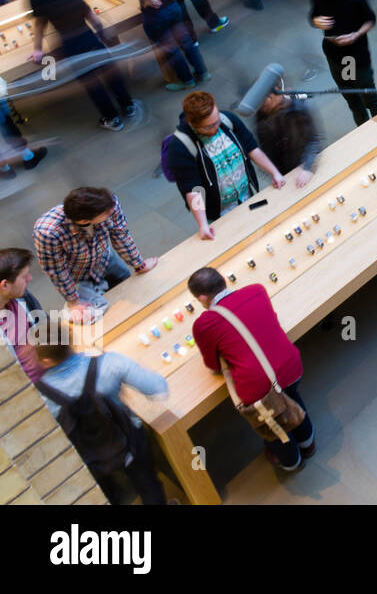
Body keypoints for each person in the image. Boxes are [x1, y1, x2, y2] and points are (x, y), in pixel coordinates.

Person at [189, 267, 315, 472]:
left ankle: (292, 463)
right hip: (291, 367)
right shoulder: (257, 290)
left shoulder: (204, 324)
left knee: (272, 427)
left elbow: (213, 366)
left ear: (202, 298)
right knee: (293, 399)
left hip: (259, 389)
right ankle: (309, 446)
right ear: (223, 281)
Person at [35, 342, 168, 503]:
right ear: (70, 343)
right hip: (129, 444)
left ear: (46, 360)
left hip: (88, 458)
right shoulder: (109, 363)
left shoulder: (40, 397)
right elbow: (159, 389)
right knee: (149, 486)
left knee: (107, 496)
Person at [26, 0, 139, 132]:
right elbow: (94, 20)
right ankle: (128, 106)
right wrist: (104, 38)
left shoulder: (37, 1)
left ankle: (112, 118)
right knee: (110, 72)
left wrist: (37, 48)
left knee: (91, 84)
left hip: (70, 46)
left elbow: (40, 25)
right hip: (89, 39)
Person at [167, 90, 285, 238]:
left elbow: (252, 148)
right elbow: (194, 190)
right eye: (209, 126)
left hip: (248, 197)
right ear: (192, 124)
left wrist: (275, 173)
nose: (216, 127)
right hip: (219, 214)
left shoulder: (227, 120)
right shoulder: (180, 148)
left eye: (217, 120)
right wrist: (203, 225)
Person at [33, 187, 158, 320]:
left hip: (105, 258)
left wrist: (139, 264)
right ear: (84, 221)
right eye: (105, 215)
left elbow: (120, 235)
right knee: (102, 315)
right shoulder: (48, 233)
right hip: (78, 274)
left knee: (128, 287)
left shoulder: (109, 203)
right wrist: (73, 301)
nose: (112, 212)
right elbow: (56, 270)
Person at [309, 0, 377, 126]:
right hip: (336, 57)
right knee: (353, 99)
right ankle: (364, 131)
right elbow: (313, 16)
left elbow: (370, 20)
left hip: (356, 57)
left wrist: (355, 35)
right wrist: (316, 21)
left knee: (369, 97)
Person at [239, 63, 324, 188]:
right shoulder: (262, 116)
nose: (261, 105)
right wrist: (276, 173)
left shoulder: (300, 105)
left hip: (308, 165)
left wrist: (307, 168)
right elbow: (267, 152)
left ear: (277, 91)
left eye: (265, 98)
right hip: (286, 175)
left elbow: (314, 140)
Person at [0, 249, 41, 380]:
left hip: (53, 369)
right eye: (24, 276)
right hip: (36, 390)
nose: (30, 278)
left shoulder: (21, 297)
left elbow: (43, 324)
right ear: (5, 285)